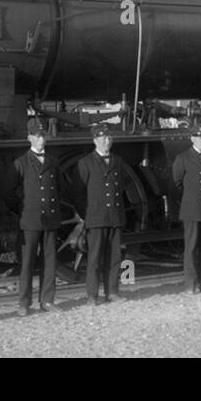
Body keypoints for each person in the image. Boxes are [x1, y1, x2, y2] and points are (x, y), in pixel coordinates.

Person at [12, 116, 64, 316]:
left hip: (50, 218)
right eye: (37, 136)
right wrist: (25, 209)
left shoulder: (53, 162)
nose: (41, 140)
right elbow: (11, 192)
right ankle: (24, 303)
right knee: (27, 263)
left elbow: (59, 188)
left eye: (43, 136)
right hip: (30, 219)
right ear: (29, 138)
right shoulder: (21, 163)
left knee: (50, 260)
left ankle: (47, 300)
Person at [76, 123, 130, 305]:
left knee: (115, 257)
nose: (107, 141)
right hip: (96, 217)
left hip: (114, 216)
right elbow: (78, 192)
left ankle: (112, 292)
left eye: (109, 138)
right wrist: (87, 214)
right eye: (103, 138)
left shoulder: (118, 161)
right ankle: (92, 295)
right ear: (95, 140)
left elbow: (122, 186)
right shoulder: (85, 163)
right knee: (94, 258)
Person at [172, 121, 201, 293]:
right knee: (191, 247)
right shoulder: (183, 158)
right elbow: (176, 182)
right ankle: (191, 284)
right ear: (192, 138)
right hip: (191, 209)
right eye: (198, 136)